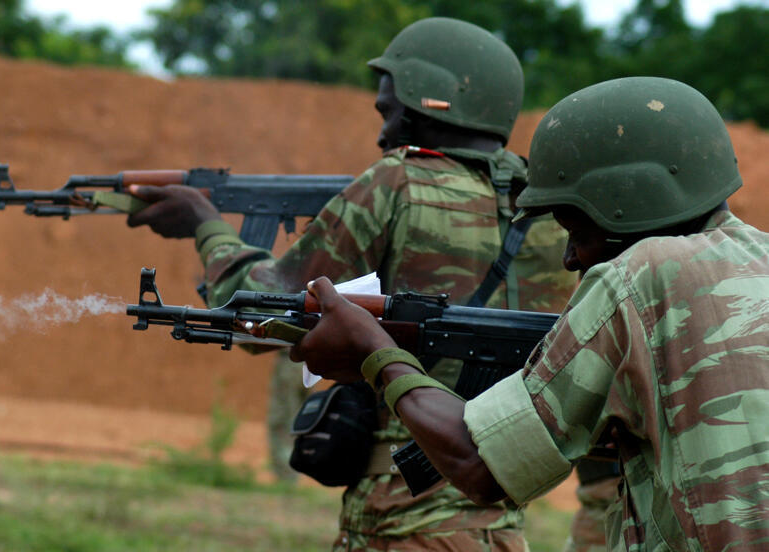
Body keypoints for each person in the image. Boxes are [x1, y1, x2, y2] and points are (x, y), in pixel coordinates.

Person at [126, 17, 577, 551]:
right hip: (497, 523)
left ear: (425, 104)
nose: (383, 133)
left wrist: (205, 224)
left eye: (389, 111)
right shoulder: (549, 210)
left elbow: (261, 312)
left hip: (401, 521)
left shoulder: (397, 181)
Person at [290, 76, 769, 550]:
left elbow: (479, 465)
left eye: (573, 228)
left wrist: (375, 349)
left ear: (625, 201)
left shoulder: (634, 277)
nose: (569, 258)